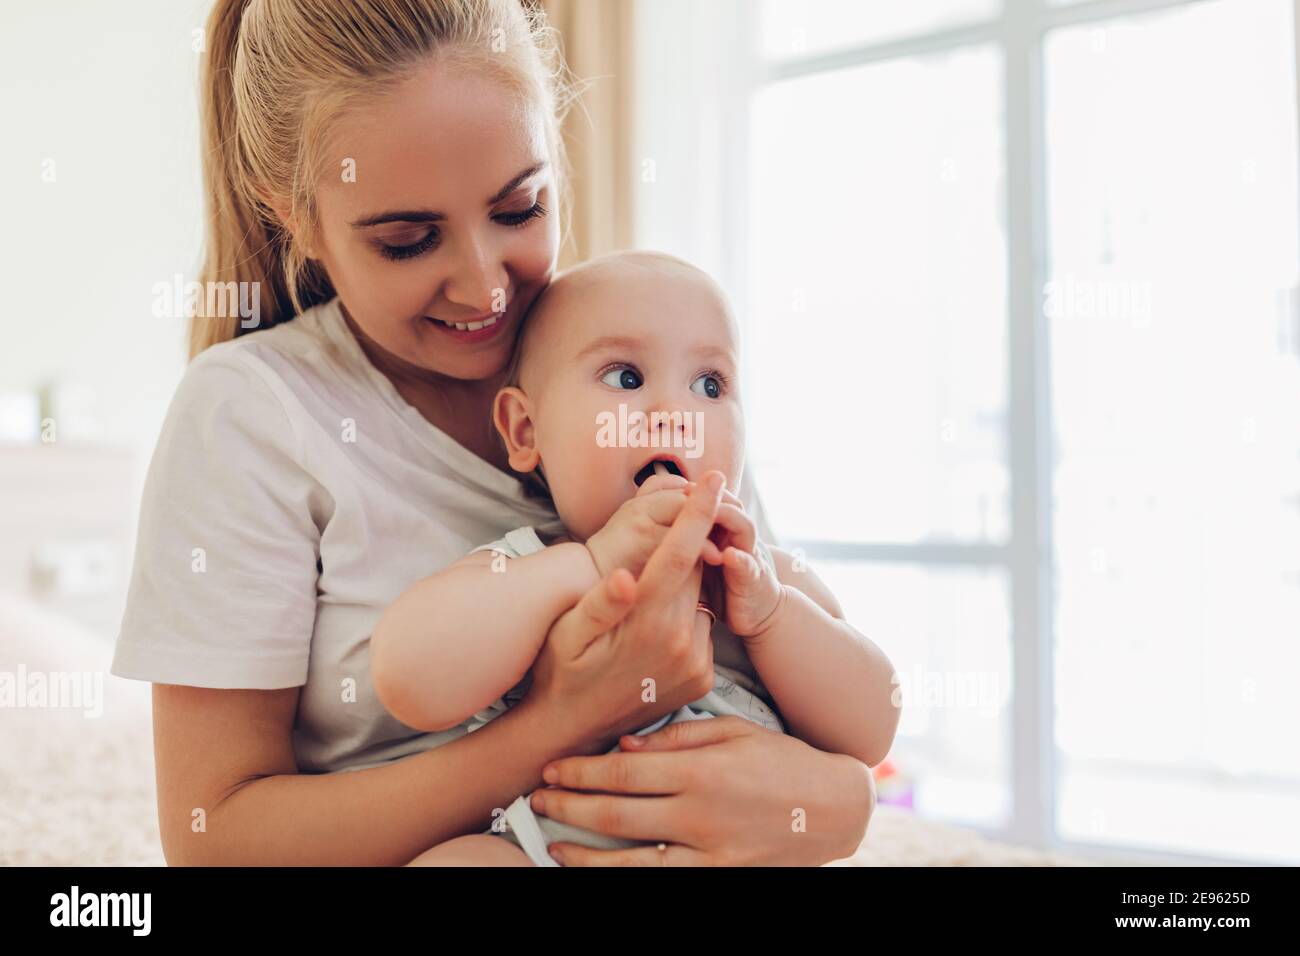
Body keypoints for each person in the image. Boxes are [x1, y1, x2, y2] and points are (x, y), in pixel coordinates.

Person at [110, 0, 878, 866]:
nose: (483, 289)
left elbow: (828, 701)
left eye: (519, 208)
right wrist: (563, 721)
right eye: (407, 240)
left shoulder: (646, 361)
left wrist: (839, 804)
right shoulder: (253, 417)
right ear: (291, 212)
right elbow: (218, 843)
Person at [370, 251, 901, 865]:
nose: (675, 417)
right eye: (625, 377)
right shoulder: (525, 569)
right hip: (553, 851)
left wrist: (772, 617)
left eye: (710, 385)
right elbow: (409, 680)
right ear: (525, 431)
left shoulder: (768, 578)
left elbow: (872, 727)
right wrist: (592, 566)